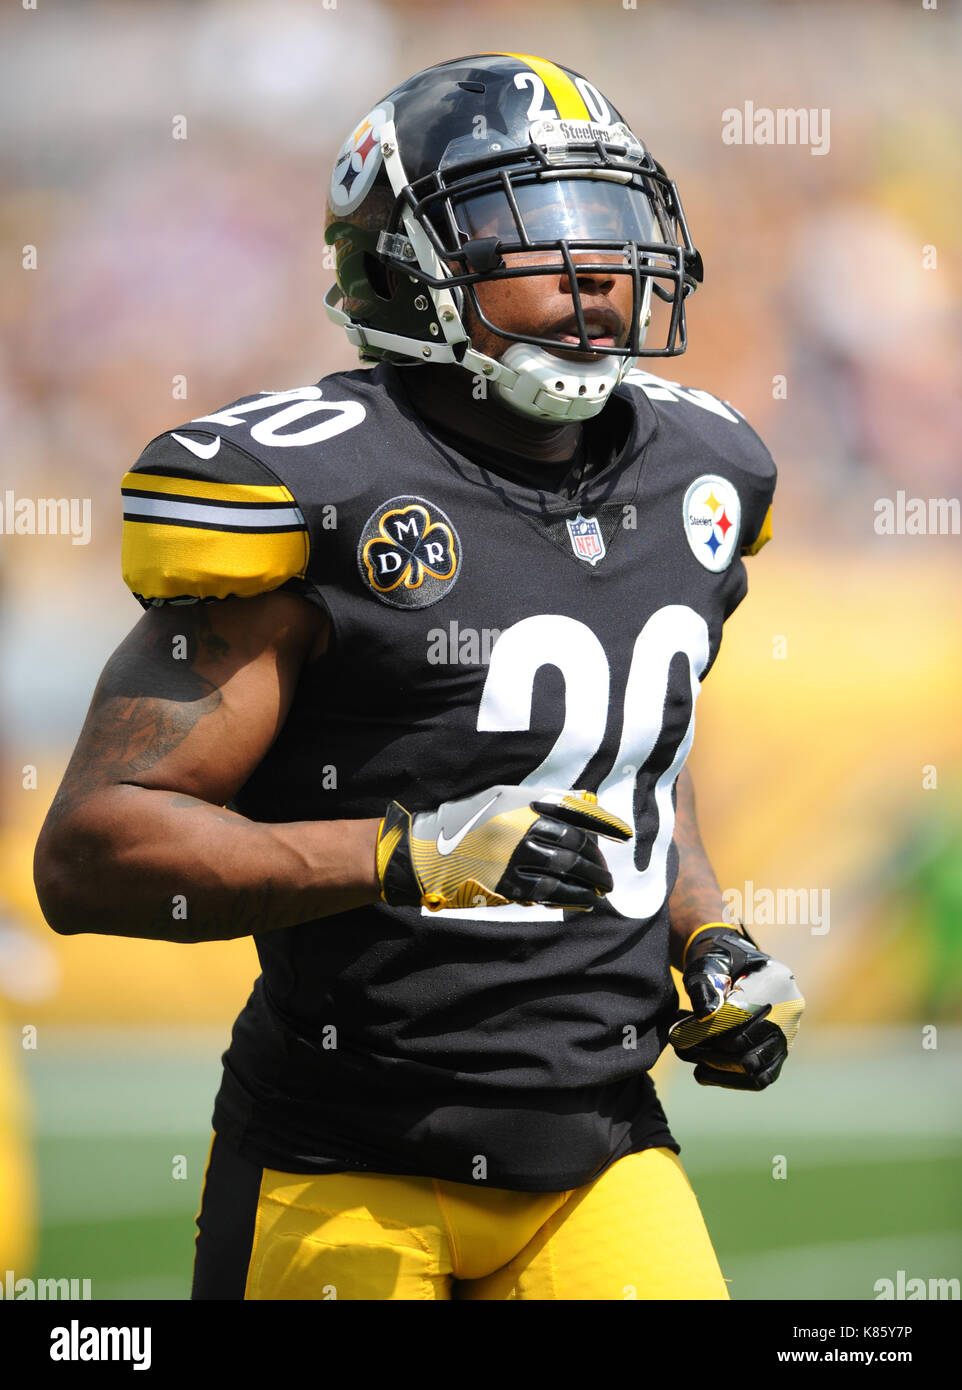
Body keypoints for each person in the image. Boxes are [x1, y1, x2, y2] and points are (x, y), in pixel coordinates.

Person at [33, 52, 805, 1300]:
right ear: (403, 264)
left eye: (605, 218)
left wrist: (704, 929)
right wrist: (404, 855)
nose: (595, 266)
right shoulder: (317, 488)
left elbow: (631, 757)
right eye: (530, 224)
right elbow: (91, 852)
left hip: (600, 1144)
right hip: (342, 1153)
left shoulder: (697, 471)